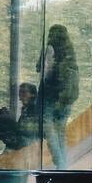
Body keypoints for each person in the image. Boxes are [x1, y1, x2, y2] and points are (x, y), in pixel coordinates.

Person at [38, 24, 79, 168]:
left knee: (49, 133)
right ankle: (63, 167)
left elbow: (45, 73)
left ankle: (60, 165)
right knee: (60, 133)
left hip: (50, 98)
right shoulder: (69, 53)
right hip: (66, 100)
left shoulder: (50, 48)